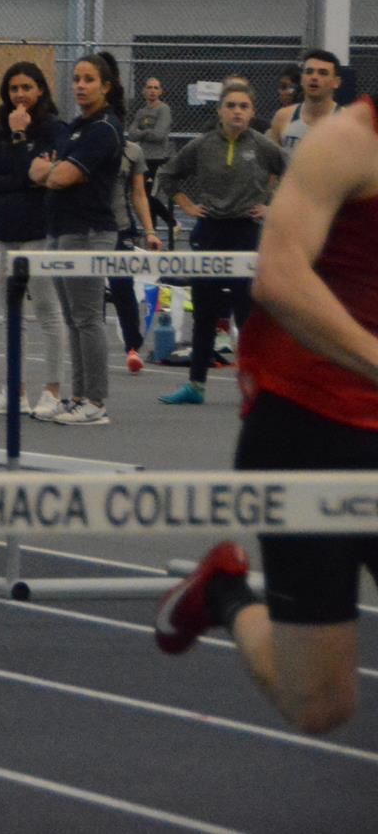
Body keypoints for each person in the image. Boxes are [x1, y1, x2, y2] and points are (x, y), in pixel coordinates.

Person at [155, 93, 378, 737]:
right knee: (321, 706)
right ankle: (223, 591)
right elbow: (278, 277)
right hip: (311, 429)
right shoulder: (347, 142)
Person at [155, 79, 283, 406]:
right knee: (205, 313)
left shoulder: (264, 146)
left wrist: (273, 205)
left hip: (246, 232)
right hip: (209, 232)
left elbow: (297, 173)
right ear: (220, 111)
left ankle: (257, 386)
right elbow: (168, 176)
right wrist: (186, 205)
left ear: (252, 112)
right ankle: (195, 386)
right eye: (231, 106)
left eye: (243, 106)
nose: (237, 112)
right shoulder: (201, 145)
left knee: (247, 314)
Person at [30, 52, 126, 425]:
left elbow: (58, 176)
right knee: (72, 319)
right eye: (76, 79)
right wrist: (52, 170)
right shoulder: (76, 127)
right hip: (60, 230)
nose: (80, 86)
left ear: (105, 86)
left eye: (89, 80)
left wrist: (52, 170)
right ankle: (78, 397)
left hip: (89, 232)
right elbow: (39, 170)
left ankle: (96, 402)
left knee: (87, 318)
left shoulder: (105, 129)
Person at [0, 62, 68, 417]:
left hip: (38, 231)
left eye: (27, 87)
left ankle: (53, 390)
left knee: (47, 311)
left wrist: (20, 144)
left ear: (40, 90)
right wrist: (24, 172)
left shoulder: (54, 131)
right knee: (11, 314)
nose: (20, 95)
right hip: (2, 231)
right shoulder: (0, 130)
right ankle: (14, 389)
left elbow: (44, 175)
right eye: (14, 88)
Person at [106, 128, 163, 375]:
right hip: (88, 227)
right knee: (88, 289)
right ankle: (89, 347)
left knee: (122, 286)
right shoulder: (83, 142)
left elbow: (139, 194)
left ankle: (133, 347)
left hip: (120, 227)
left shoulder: (132, 151)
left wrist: (150, 230)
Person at [128, 77, 175, 244]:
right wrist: (147, 132)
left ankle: (173, 223)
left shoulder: (164, 109)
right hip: (143, 159)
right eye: (149, 87)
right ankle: (152, 234)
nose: (152, 91)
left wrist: (143, 131)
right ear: (143, 91)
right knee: (143, 196)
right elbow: (132, 133)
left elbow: (159, 134)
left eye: (156, 87)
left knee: (149, 196)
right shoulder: (141, 112)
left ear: (161, 91)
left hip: (158, 159)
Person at [269, 49, 342, 155]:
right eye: (309, 72)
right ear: (302, 79)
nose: (314, 77)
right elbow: (272, 165)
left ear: (336, 82)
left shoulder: (348, 121)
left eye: (322, 73)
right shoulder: (283, 117)